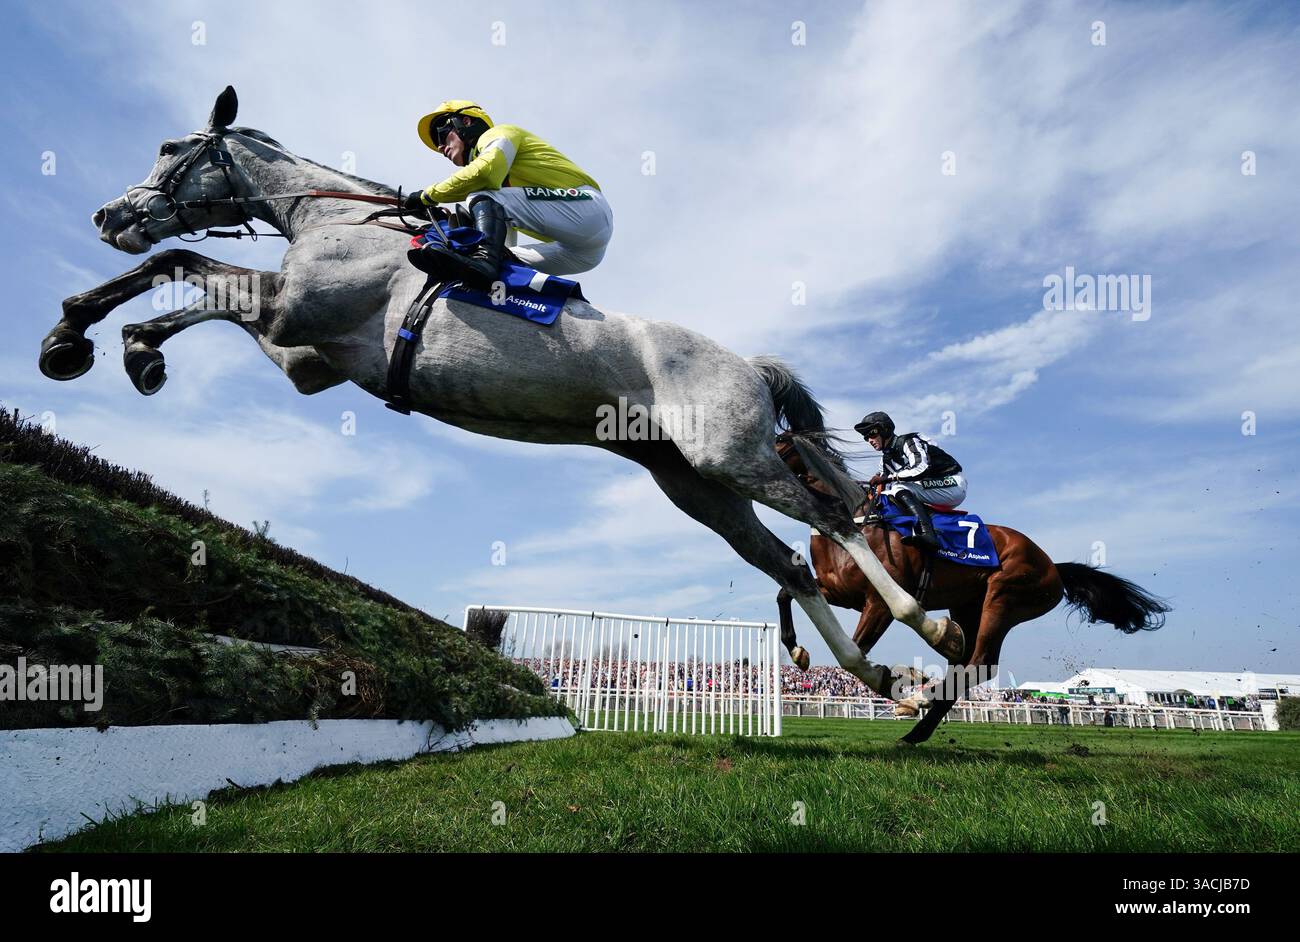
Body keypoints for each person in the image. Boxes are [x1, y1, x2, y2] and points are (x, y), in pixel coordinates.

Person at [404, 100, 613, 287]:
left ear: (465, 122)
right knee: (504, 262)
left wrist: (427, 196)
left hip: (589, 209)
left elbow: (485, 174)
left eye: (440, 134)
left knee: (480, 196)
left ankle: (484, 262)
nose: (440, 147)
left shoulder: (498, 133)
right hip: (584, 254)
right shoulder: (498, 188)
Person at [853, 411, 965, 553]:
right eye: (866, 437)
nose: (869, 439)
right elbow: (882, 489)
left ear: (885, 430)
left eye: (872, 433)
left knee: (899, 486)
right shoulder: (885, 461)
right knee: (889, 494)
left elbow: (921, 468)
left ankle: (928, 534)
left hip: (952, 483)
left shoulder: (909, 441)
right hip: (930, 489)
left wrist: (888, 478)